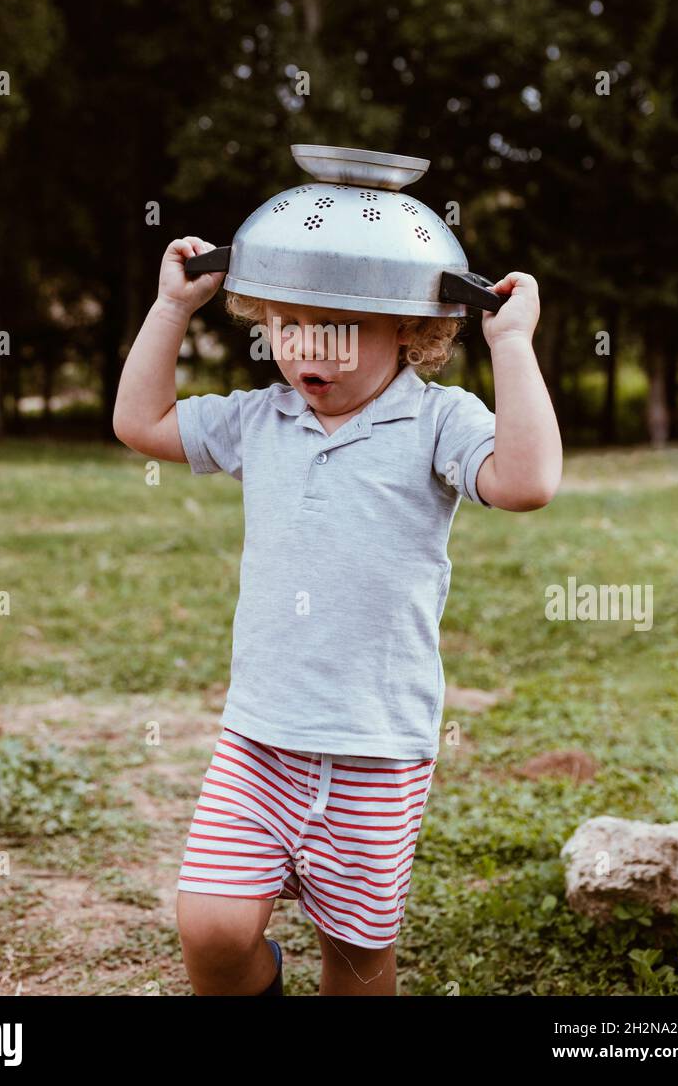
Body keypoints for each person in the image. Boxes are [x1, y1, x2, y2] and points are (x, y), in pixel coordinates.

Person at [113, 236, 562, 996]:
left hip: (376, 753)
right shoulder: (261, 418)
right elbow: (142, 422)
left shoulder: (436, 421)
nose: (305, 347)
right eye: (287, 323)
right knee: (211, 931)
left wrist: (512, 346)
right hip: (259, 742)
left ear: (409, 332)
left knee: (356, 964)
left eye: (339, 326)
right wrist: (170, 307)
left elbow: (526, 481)